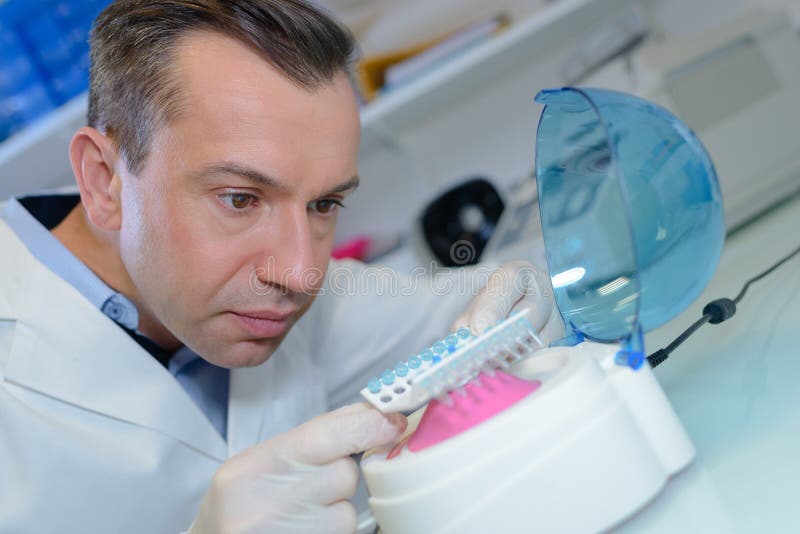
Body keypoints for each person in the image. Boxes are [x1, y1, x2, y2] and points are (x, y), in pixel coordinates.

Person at [0, 1, 562, 532]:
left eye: (324, 204)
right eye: (240, 199)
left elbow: (486, 308)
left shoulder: (302, 300)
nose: (299, 272)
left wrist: (524, 289)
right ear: (104, 180)